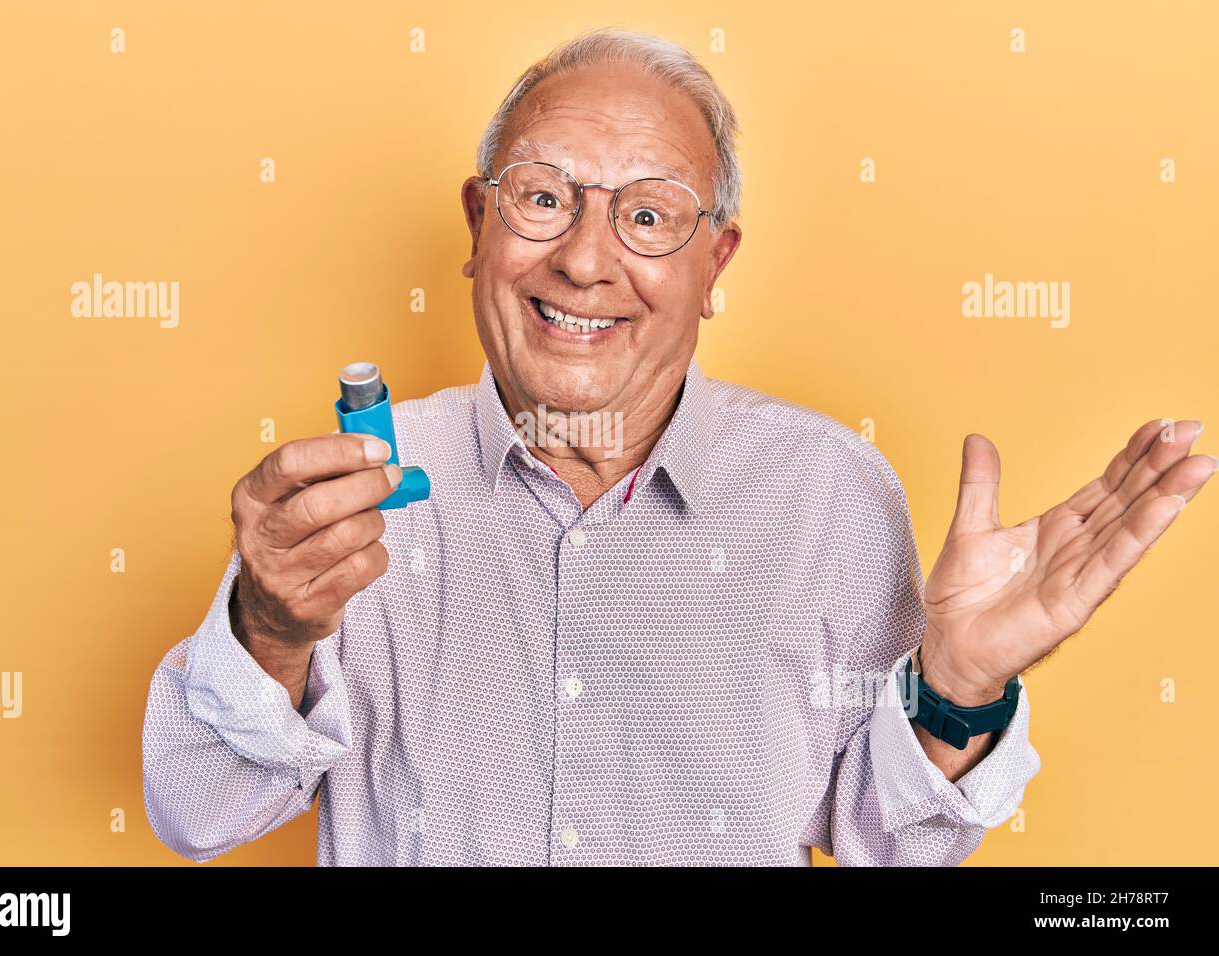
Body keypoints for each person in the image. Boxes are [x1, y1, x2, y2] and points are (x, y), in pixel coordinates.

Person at [141, 28, 1214, 865]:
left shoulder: (829, 494)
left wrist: (961, 687)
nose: (585, 260)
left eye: (650, 217)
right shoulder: (341, 507)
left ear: (716, 262)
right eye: (544, 198)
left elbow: (894, 842)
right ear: (477, 226)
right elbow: (199, 813)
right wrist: (269, 631)